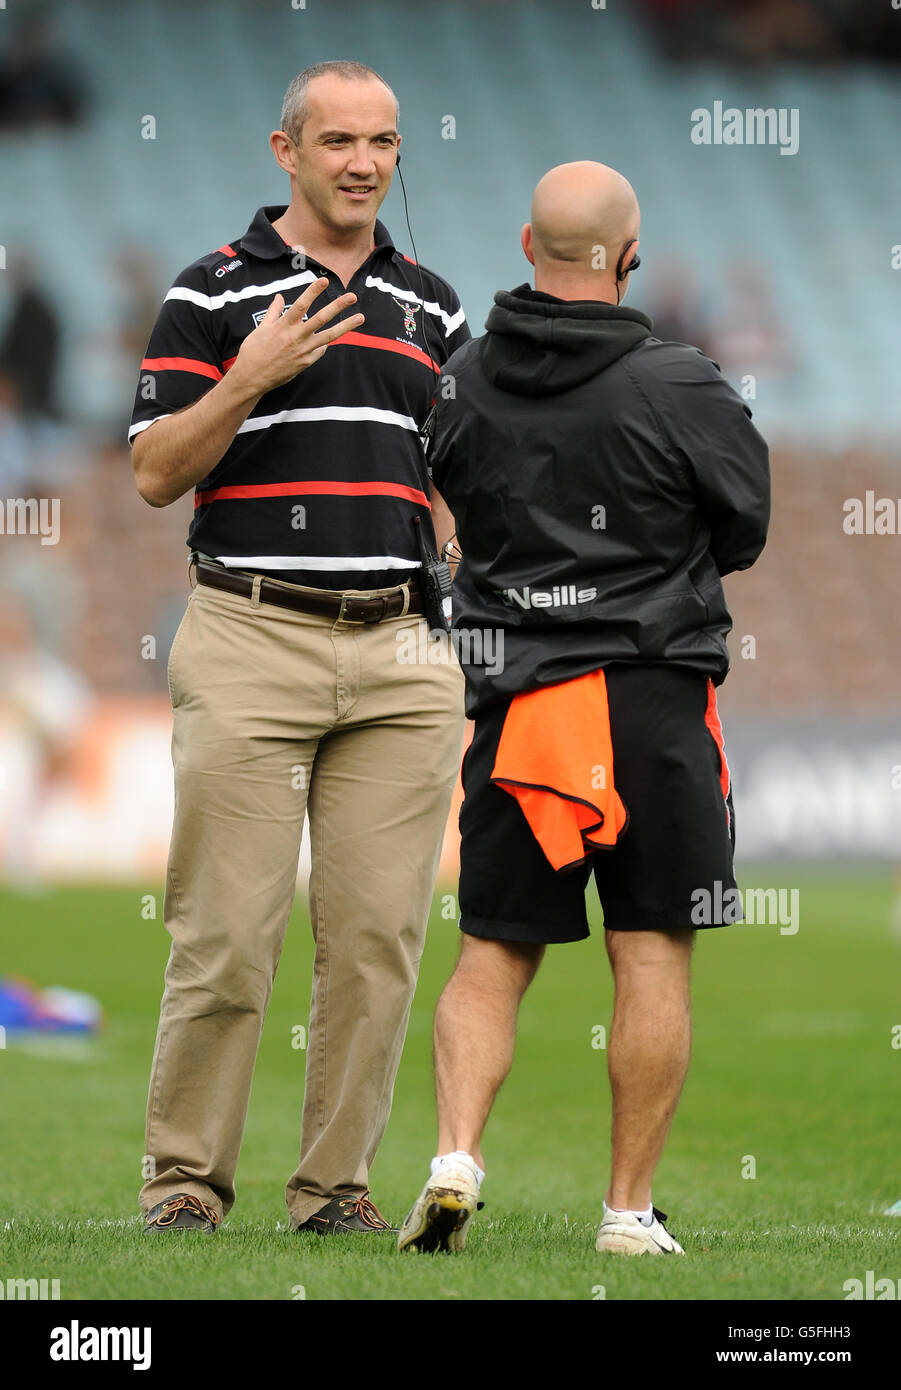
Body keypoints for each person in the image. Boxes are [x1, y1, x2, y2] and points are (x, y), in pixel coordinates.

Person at [398, 161, 770, 1257]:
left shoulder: (456, 378)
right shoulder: (684, 379)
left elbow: (450, 508)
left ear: (526, 245)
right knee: (650, 953)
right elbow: (742, 527)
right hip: (651, 697)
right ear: (629, 248)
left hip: (521, 704)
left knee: (491, 950)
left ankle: (454, 1156)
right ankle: (624, 1212)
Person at [129, 61, 468, 1236]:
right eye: (336, 141)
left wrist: (465, 538)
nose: (363, 162)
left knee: (376, 945)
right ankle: (183, 1185)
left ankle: (333, 1193)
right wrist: (251, 376)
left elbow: (456, 470)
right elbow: (155, 471)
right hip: (249, 631)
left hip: (402, 656)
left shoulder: (431, 303)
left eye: (381, 140)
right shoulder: (210, 293)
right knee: (225, 936)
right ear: (286, 151)